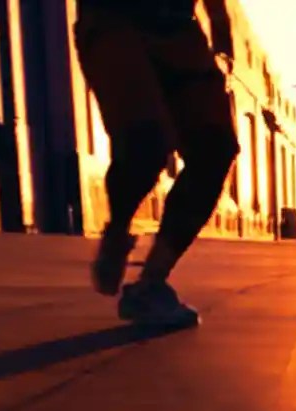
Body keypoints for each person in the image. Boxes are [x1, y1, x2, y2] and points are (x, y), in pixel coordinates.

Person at [75, 0, 239, 327]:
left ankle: (151, 284)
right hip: (114, 19)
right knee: (146, 143)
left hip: (179, 29)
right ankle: (118, 231)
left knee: (215, 147)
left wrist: (222, 39)